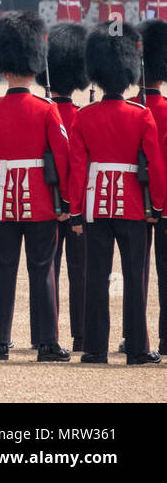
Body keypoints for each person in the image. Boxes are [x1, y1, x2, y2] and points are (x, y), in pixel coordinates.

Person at [0, 12, 72, 362]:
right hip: (41, 202)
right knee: (42, 270)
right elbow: (62, 159)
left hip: (2, 201)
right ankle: (47, 343)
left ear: (1, 67)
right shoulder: (47, 110)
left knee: (3, 271)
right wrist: (66, 202)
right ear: (34, 65)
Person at [69, 22, 165, 364]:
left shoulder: (85, 116)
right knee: (135, 278)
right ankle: (138, 348)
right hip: (135, 207)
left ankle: (95, 348)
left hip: (95, 205)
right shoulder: (141, 116)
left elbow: (79, 168)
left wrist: (77, 210)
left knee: (95, 277)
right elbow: (154, 165)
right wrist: (157, 204)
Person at [45, 23, 89, 352]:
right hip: (77, 205)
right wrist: (72, 205)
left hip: (44, 203)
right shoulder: (80, 115)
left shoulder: (41, 112)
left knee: (48, 271)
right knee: (80, 271)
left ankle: (48, 335)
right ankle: (81, 333)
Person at [142, 19, 167, 356]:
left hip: (130, 198)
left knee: (136, 275)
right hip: (163, 202)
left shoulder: (134, 107)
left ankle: (135, 335)